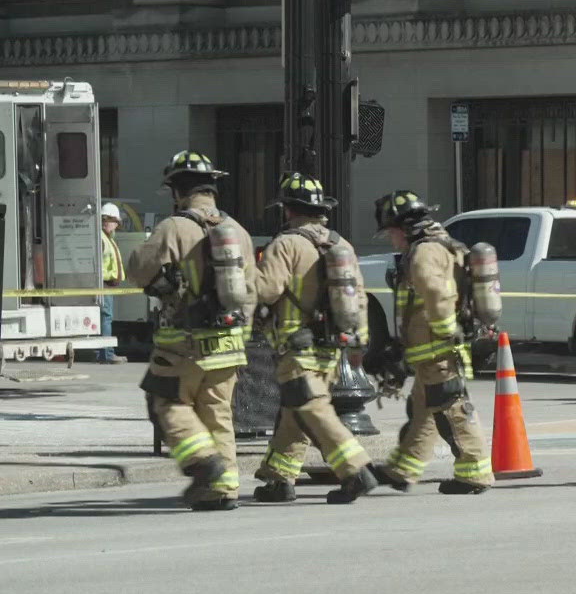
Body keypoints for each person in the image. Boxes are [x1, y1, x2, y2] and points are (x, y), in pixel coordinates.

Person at [125, 151, 255, 511]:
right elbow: (251, 291)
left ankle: (204, 464)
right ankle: (224, 488)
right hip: (229, 344)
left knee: (166, 403)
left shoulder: (174, 227)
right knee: (218, 415)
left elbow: (138, 270)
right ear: (212, 188)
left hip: (182, 344)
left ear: (176, 191)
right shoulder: (238, 232)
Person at [250, 174, 381, 505]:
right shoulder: (341, 245)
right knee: (298, 412)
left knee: (313, 410)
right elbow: (359, 297)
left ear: (288, 210)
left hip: (297, 346)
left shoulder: (286, 244)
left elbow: (266, 291)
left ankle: (355, 471)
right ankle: (280, 479)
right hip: (330, 348)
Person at [367, 190, 493, 496]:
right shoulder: (444, 244)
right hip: (431, 347)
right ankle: (403, 469)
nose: (392, 240)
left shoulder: (424, 253)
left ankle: (475, 471)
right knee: (423, 408)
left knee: (451, 407)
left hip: (437, 347)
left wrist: (444, 330)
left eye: (392, 233)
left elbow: (436, 293)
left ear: (405, 228)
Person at [94, 202, 125, 363]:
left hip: (106, 285)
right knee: (106, 317)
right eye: (108, 220)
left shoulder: (107, 238)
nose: (112, 224)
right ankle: (107, 354)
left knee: (104, 318)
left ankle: (103, 353)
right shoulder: (102, 238)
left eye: (113, 221)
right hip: (103, 285)